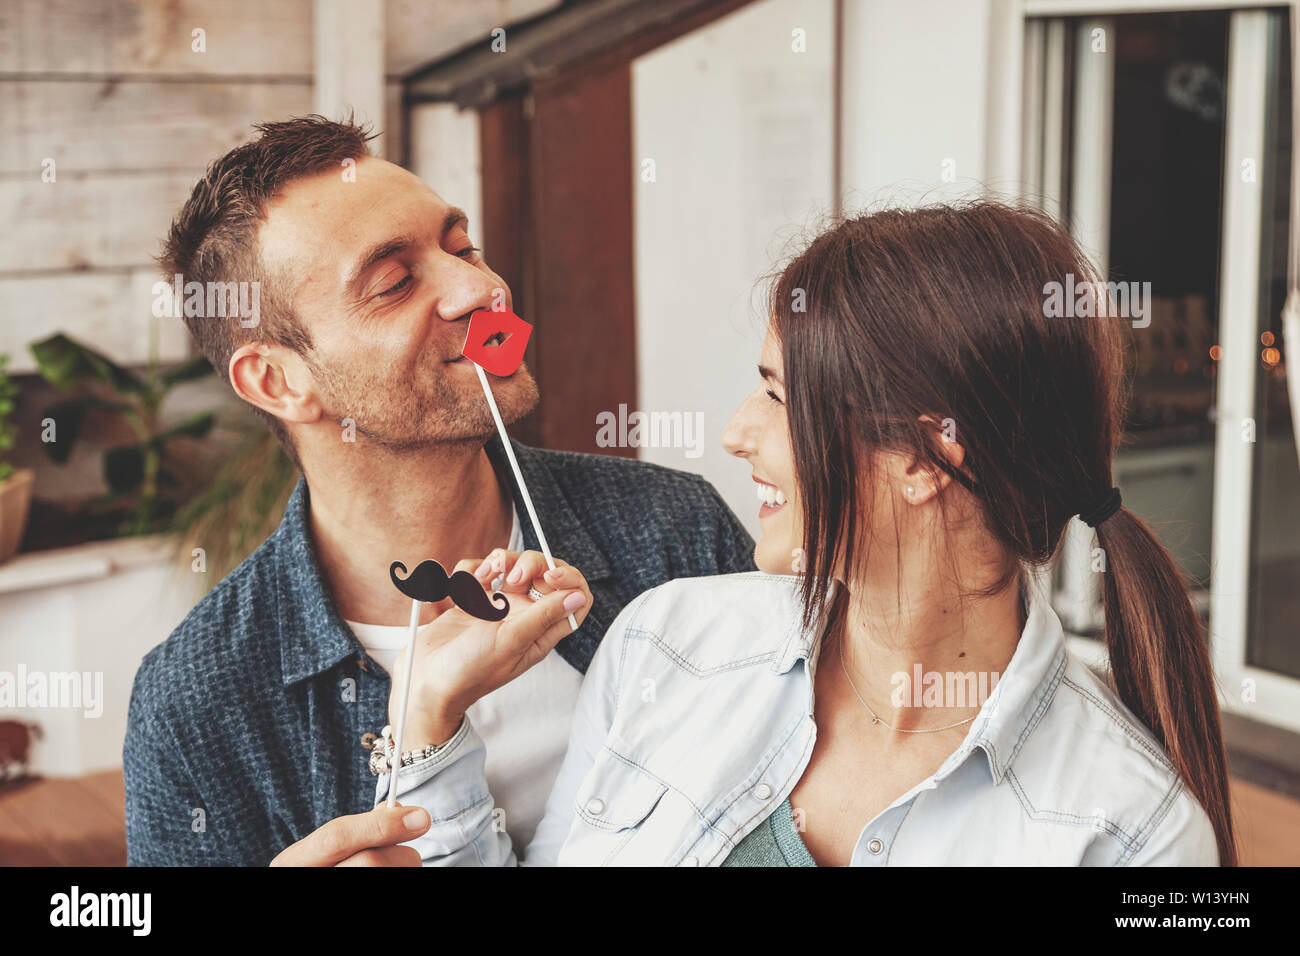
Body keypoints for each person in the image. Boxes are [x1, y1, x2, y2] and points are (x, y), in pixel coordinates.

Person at [385, 201, 1233, 866]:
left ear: (928, 457)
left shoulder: (1134, 837)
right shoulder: (665, 644)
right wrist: (431, 717)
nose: (736, 434)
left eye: (779, 398)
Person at [123, 116, 754, 867]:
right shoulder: (197, 703)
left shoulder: (675, 530)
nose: (482, 290)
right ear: (277, 380)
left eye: (462, 248)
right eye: (394, 282)